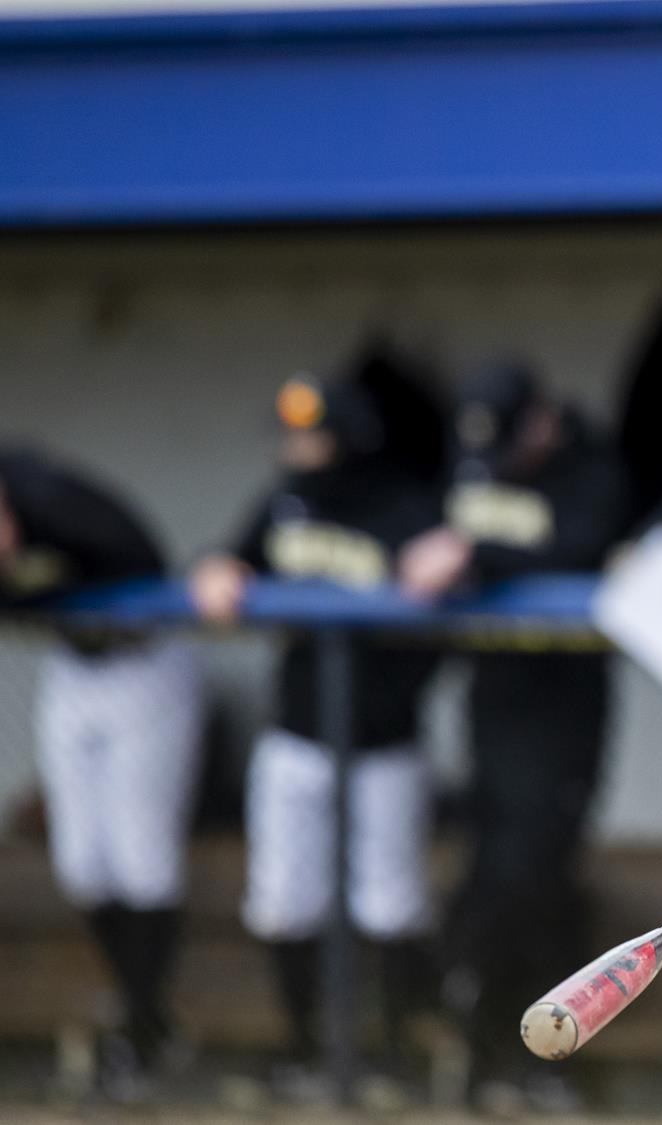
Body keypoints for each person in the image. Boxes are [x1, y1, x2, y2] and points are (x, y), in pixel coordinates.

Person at [188, 373, 441, 1093]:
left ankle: (395, 1054)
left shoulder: (401, 502)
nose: (298, 445)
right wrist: (218, 567)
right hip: (296, 733)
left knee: (389, 902)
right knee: (283, 899)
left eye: (314, 432)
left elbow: (444, 568)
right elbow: (231, 555)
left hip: (383, 738)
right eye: (292, 432)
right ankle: (304, 1049)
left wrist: (445, 561)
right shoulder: (286, 500)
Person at [396, 360, 631, 1108]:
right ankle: (489, 1051)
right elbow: (435, 526)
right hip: (491, 697)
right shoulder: (474, 471)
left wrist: (478, 555)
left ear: (542, 420)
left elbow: (587, 545)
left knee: (539, 871)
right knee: (491, 869)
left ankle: (549, 1059)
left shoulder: (591, 468)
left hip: (563, 705)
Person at [0, 447, 203, 1098]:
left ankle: (142, 1027)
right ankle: (146, 1017)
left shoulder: (53, 496)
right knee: (82, 862)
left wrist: (22, 538)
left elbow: (146, 557)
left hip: (143, 662)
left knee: (142, 859)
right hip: (73, 671)